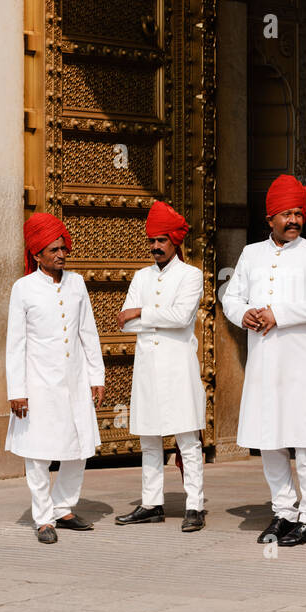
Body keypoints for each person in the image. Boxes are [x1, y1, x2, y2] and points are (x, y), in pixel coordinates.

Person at [221, 174, 306, 547]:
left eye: (298, 213)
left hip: (303, 363)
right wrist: (245, 315)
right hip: (264, 361)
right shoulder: (251, 254)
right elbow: (231, 297)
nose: (294, 220)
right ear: (269, 218)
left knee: (304, 441)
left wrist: (278, 313)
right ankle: (285, 512)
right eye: (286, 214)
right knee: (270, 439)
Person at [6, 212, 105, 544]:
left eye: (63, 248)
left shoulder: (76, 283)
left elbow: (88, 333)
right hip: (37, 384)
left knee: (79, 447)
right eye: (53, 250)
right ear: (37, 254)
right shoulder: (23, 288)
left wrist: (97, 377)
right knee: (37, 453)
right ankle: (43, 518)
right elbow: (15, 344)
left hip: (75, 381)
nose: (61, 254)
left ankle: (64, 508)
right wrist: (17, 391)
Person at [114, 200, 207, 532]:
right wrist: (146, 318)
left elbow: (182, 318)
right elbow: (124, 324)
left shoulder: (191, 275)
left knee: (187, 438)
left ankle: (194, 506)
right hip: (148, 369)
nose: (155, 246)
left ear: (175, 241)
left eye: (162, 240)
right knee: (149, 439)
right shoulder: (140, 277)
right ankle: (151, 503)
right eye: (152, 240)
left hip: (178, 368)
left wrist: (141, 313)